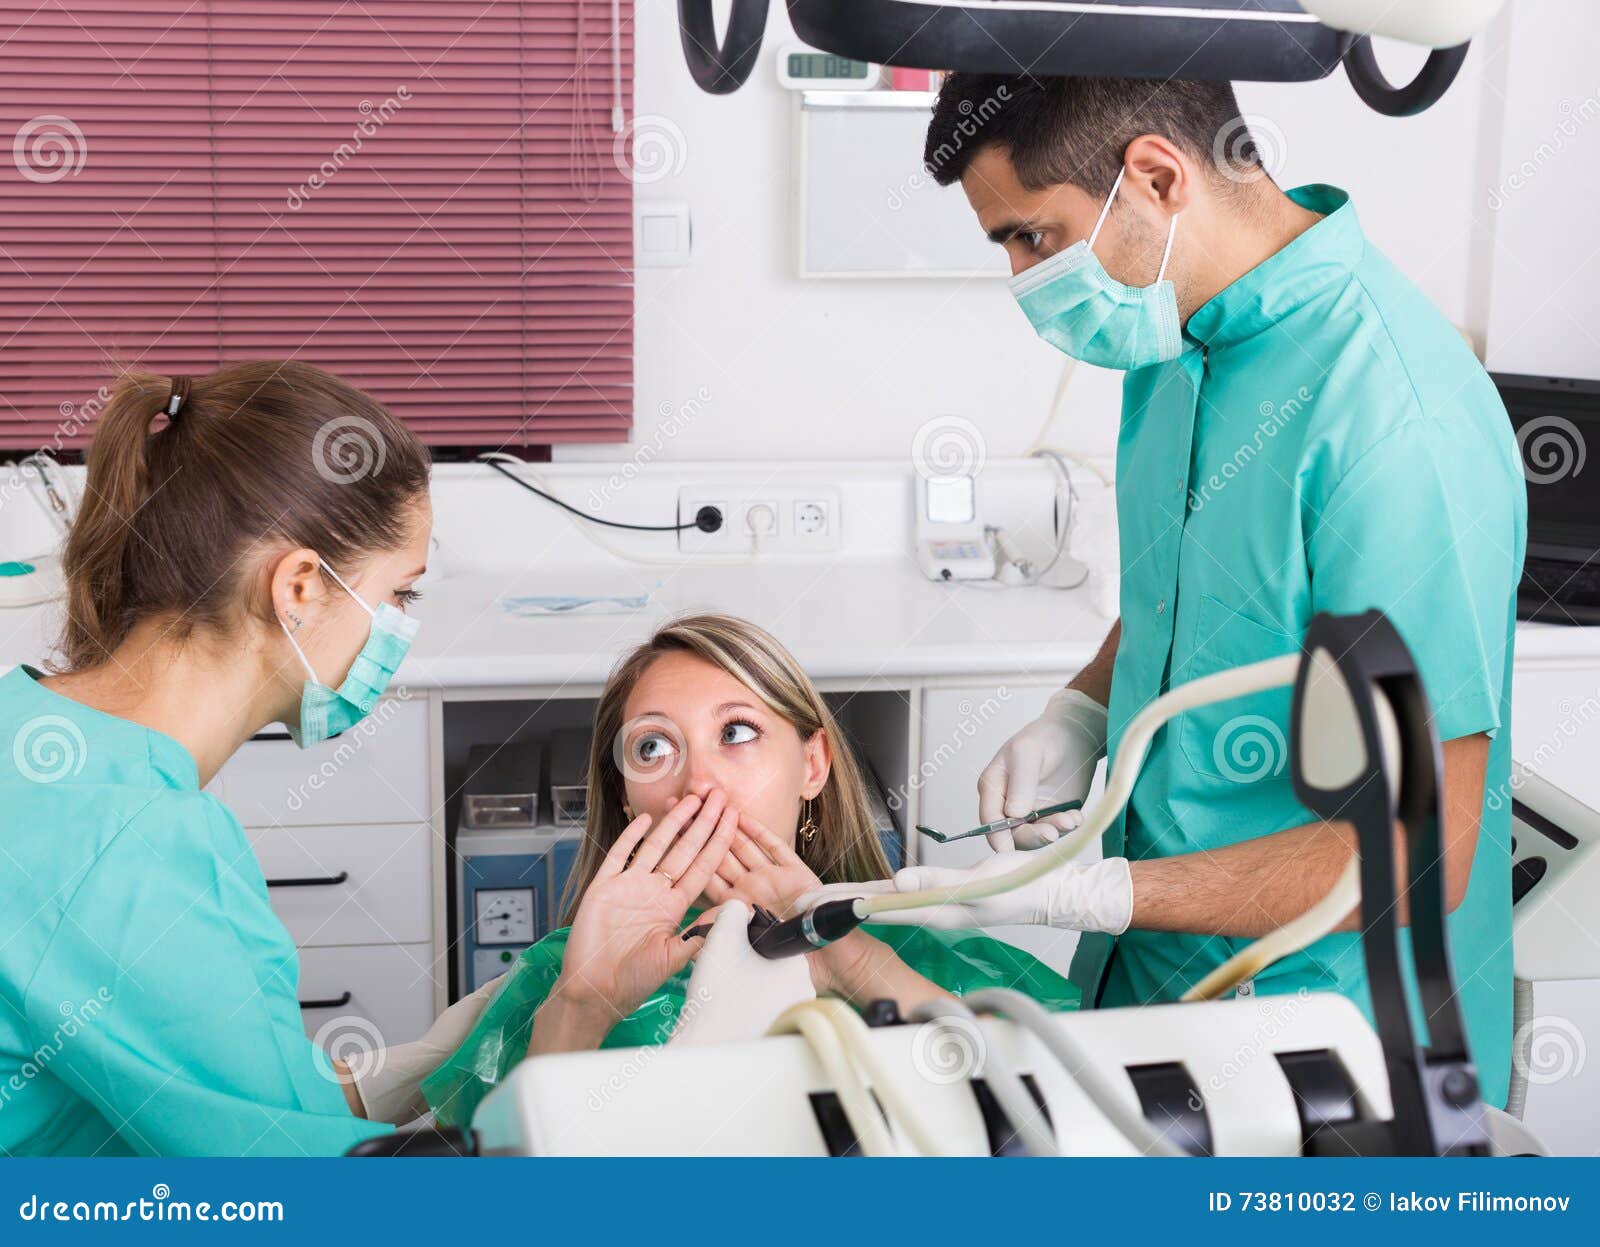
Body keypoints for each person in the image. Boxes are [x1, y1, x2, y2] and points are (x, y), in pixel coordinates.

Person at [837, 75, 1527, 1108]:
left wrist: (1100, 890)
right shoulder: (1171, 333)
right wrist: (1078, 705)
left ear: (1156, 177)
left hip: (1333, 1039)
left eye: (1032, 237)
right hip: (1153, 986)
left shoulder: (1391, 424)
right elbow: (1200, 579)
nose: (1024, 279)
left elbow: (1420, 845)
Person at [0, 361, 496, 1156]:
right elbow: (292, 1194)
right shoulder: (140, 847)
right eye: (402, 594)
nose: (402, 625)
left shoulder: (24, 721)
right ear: (299, 586)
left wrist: (436, 1055)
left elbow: (205, 1078)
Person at [421, 614, 1079, 1128]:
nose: (697, 781)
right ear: (627, 796)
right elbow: (516, 1198)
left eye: (736, 732)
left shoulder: (919, 953)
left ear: (813, 764)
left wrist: (845, 957)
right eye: (652, 745)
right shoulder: (568, 976)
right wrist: (581, 1009)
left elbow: (1055, 1119)